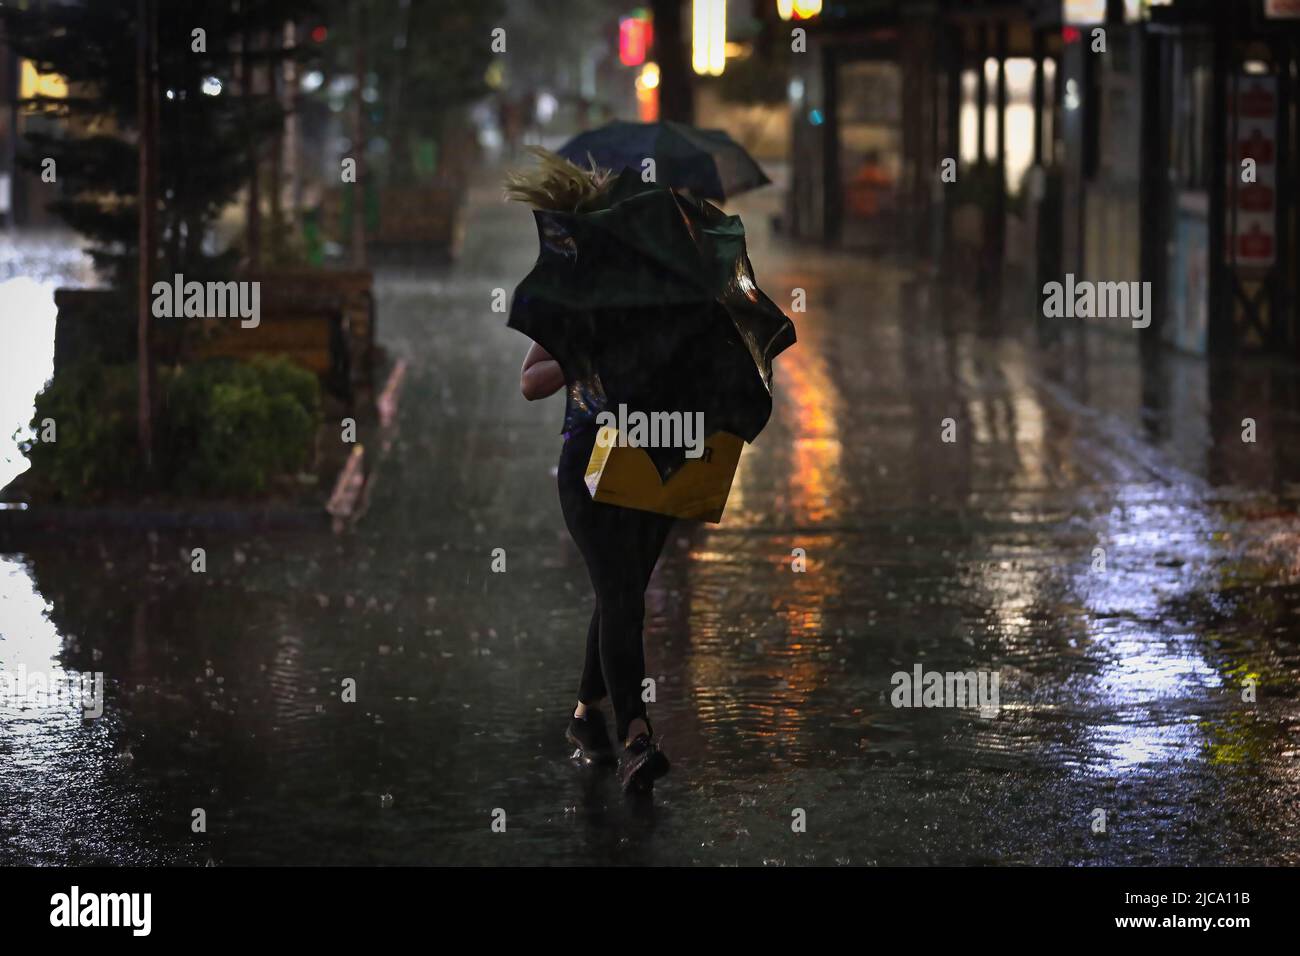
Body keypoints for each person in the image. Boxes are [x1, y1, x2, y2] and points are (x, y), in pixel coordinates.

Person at [520, 341, 674, 793]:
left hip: (659, 463)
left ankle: (586, 717)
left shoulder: (681, 301)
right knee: (622, 597)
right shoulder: (582, 297)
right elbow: (529, 382)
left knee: (620, 595)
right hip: (591, 471)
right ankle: (636, 736)